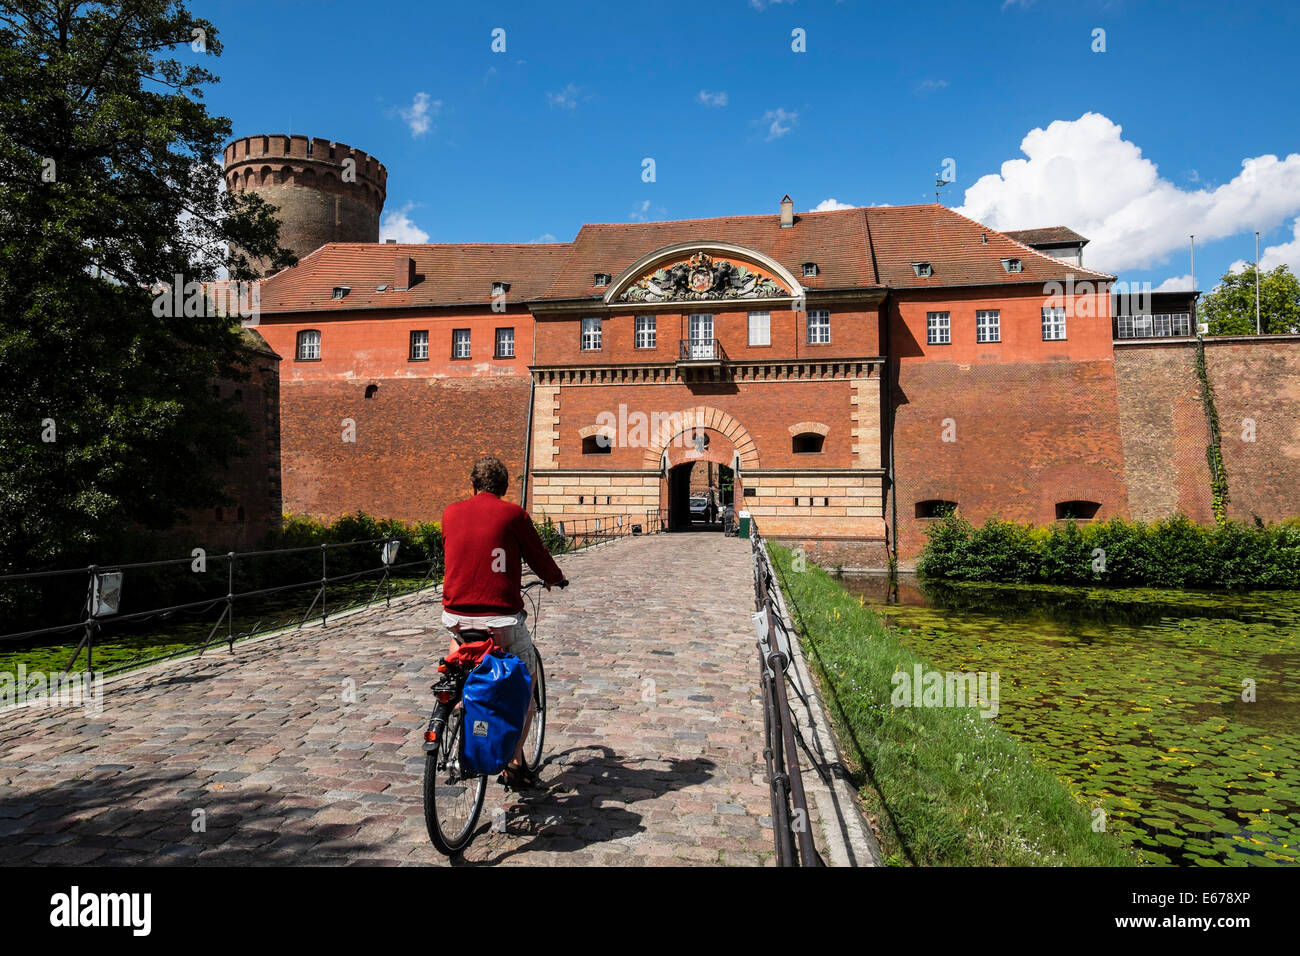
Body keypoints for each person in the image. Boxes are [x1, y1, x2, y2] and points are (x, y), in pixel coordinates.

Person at [440, 456, 567, 790]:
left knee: (456, 663)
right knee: (524, 686)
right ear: (505, 487)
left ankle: (452, 705)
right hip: (499, 623)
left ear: (473, 485)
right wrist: (555, 578)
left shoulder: (450, 514)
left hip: (455, 618)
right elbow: (538, 556)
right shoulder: (513, 514)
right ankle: (513, 763)